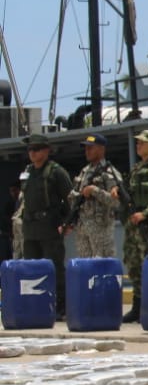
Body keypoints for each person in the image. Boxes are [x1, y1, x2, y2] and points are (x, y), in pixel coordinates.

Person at [19, 134, 72, 316]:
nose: (32, 153)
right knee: (31, 268)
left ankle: (61, 306)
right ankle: (36, 305)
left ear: (47, 150)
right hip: (30, 227)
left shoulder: (56, 172)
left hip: (49, 226)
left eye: (36, 149)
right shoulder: (28, 171)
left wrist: (66, 222)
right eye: (30, 149)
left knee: (53, 267)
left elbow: (71, 199)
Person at [121, 130, 148, 323]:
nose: (138, 145)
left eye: (142, 142)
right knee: (133, 265)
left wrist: (146, 213)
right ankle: (137, 306)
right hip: (132, 224)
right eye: (137, 142)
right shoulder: (136, 168)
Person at [61, 133, 123, 259]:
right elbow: (75, 199)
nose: (87, 151)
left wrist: (94, 190)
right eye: (86, 148)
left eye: (91, 147)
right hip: (82, 228)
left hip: (100, 229)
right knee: (86, 269)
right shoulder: (84, 172)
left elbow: (116, 202)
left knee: (102, 267)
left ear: (101, 149)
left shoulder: (109, 172)